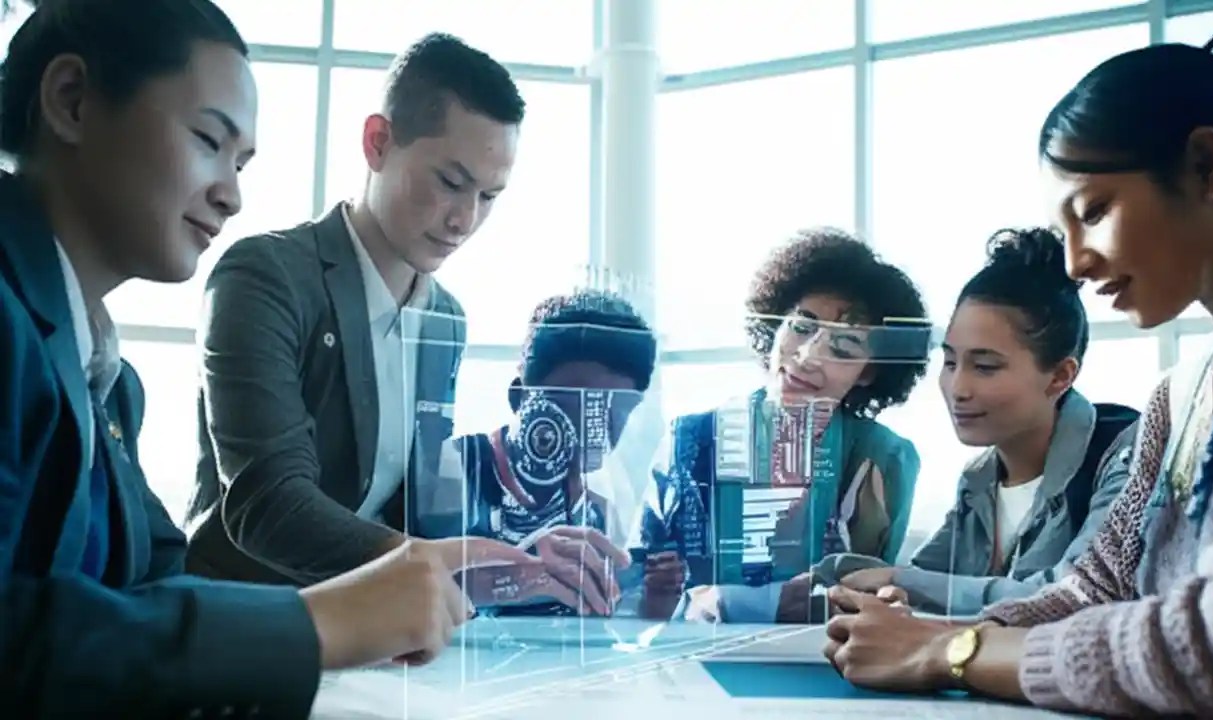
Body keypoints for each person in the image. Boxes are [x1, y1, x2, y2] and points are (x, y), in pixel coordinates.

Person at [0, 1, 535, 716]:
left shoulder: (110, 385)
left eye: (242, 161)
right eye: (206, 140)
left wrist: (508, 552)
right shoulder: (262, 277)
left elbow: (153, 578)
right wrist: (318, 624)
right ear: (71, 101)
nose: (232, 193)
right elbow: (262, 506)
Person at [822, 12, 1213, 719]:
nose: (1076, 262)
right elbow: (1095, 590)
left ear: (1205, 166)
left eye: (1093, 211)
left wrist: (951, 654)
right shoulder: (1179, 395)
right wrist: (935, 637)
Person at [181, 32, 619, 599]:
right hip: (240, 623)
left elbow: (412, 508)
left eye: (489, 197)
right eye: (451, 182)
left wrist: (521, 553)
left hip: (368, 629)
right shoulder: (266, 277)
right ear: (378, 142)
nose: (464, 219)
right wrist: (440, 566)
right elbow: (269, 506)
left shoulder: (446, 320)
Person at [812, 228, 1139, 616]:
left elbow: (1070, 595)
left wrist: (901, 584)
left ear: (1060, 376)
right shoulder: (979, 481)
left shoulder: (1123, 455)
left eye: (985, 367)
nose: (957, 387)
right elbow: (918, 578)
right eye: (950, 362)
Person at [636, 227, 929, 621]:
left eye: (842, 348)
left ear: (869, 373)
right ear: (776, 326)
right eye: (801, 327)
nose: (807, 356)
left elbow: (856, 600)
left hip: (826, 663)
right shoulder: (692, 437)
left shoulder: (885, 457)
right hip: (694, 661)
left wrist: (724, 600)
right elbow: (644, 591)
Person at [421, 290, 656, 615]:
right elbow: (397, 585)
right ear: (519, 398)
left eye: (618, 407)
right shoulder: (458, 468)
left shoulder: (598, 509)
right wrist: (500, 579)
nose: (594, 423)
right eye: (570, 401)